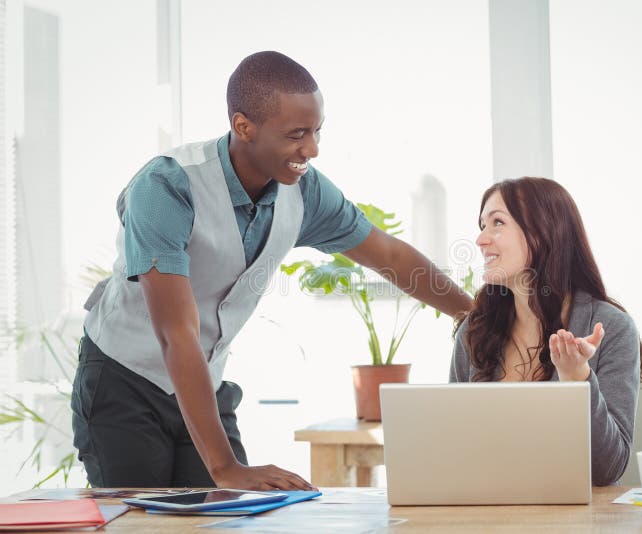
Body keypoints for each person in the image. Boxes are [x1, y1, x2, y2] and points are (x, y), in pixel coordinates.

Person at [72, 51, 472, 490]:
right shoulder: (166, 187)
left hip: (203, 381)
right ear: (244, 127)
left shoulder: (305, 191)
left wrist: (469, 313)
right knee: (141, 519)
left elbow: (390, 256)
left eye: (317, 131)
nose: (312, 149)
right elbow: (176, 334)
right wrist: (224, 468)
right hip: (123, 381)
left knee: (229, 517)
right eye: (297, 134)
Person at [449, 177, 642, 486]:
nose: (481, 240)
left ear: (542, 232)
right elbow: (455, 451)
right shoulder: (474, 332)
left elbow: (607, 470)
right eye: (481, 225)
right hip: (489, 514)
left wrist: (576, 378)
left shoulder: (613, 328)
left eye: (497, 223)